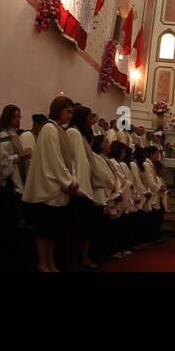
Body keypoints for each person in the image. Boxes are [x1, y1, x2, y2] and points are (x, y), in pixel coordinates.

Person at [22, 96, 79, 272]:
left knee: (53, 232)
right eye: (68, 111)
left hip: (57, 188)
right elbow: (54, 159)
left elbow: (66, 158)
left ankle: (51, 262)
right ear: (58, 110)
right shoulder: (49, 129)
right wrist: (69, 181)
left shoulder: (59, 130)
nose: (70, 116)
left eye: (72, 112)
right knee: (44, 231)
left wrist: (71, 178)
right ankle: (42, 262)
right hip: (48, 188)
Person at [64, 106, 103, 270]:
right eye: (88, 117)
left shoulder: (80, 134)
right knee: (75, 227)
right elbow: (73, 160)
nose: (90, 121)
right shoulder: (73, 133)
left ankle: (82, 258)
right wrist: (75, 182)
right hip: (78, 187)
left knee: (85, 227)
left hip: (86, 186)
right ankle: (72, 260)